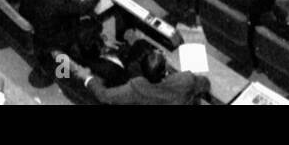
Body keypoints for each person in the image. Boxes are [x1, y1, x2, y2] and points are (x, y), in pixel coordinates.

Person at [70, 46, 210, 105]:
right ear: (165, 69)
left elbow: (103, 95)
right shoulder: (186, 79)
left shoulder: (134, 87)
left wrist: (87, 77)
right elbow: (205, 83)